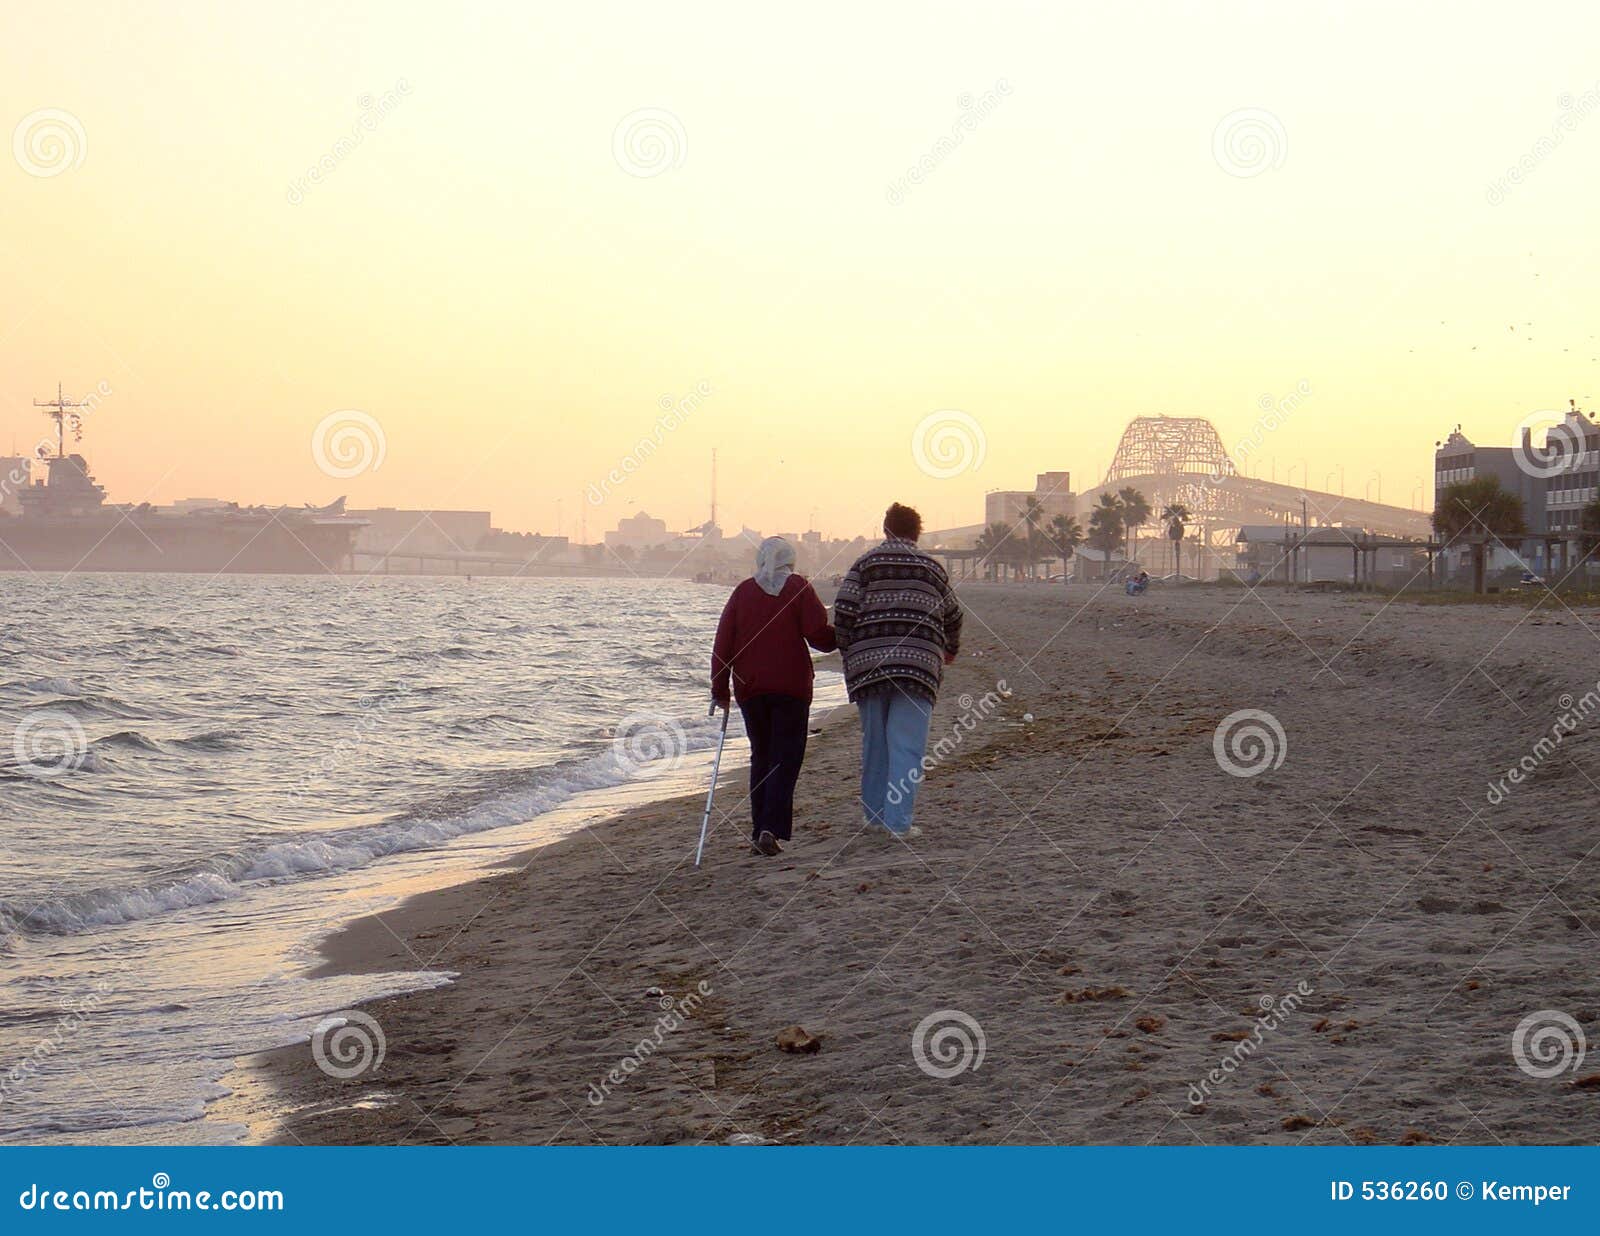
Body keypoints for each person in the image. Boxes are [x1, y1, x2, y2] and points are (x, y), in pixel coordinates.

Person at [833, 503, 963, 839]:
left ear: (885, 529)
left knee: (875, 743)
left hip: (869, 667)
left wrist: (849, 650)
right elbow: (953, 615)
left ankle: (874, 817)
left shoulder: (864, 564)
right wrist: (949, 650)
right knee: (906, 746)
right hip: (917, 667)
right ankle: (898, 823)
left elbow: (845, 612)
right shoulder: (932, 568)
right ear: (916, 533)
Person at [711, 537, 836, 856]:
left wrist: (719, 689)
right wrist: (846, 633)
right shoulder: (798, 587)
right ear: (789, 559)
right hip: (791, 688)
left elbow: (723, 642)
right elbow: (819, 637)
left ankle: (758, 830)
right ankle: (769, 828)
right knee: (785, 758)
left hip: (751, 689)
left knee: (762, 756)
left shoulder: (743, 591)